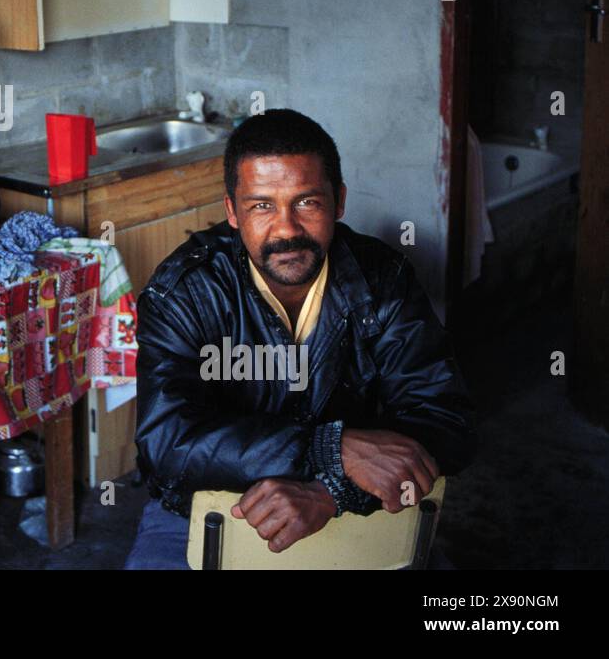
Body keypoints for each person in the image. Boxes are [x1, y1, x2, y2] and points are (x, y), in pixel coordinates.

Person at [124, 109, 476, 569]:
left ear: (339, 201)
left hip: (354, 501)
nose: (286, 229)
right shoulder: (185, 291)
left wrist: (330, 491)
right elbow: (167, 444)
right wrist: (330, 450)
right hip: (209, 505)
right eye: (261, 206)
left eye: (307, 202)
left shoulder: (382, 279)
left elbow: (448, 423)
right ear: (232, 211)